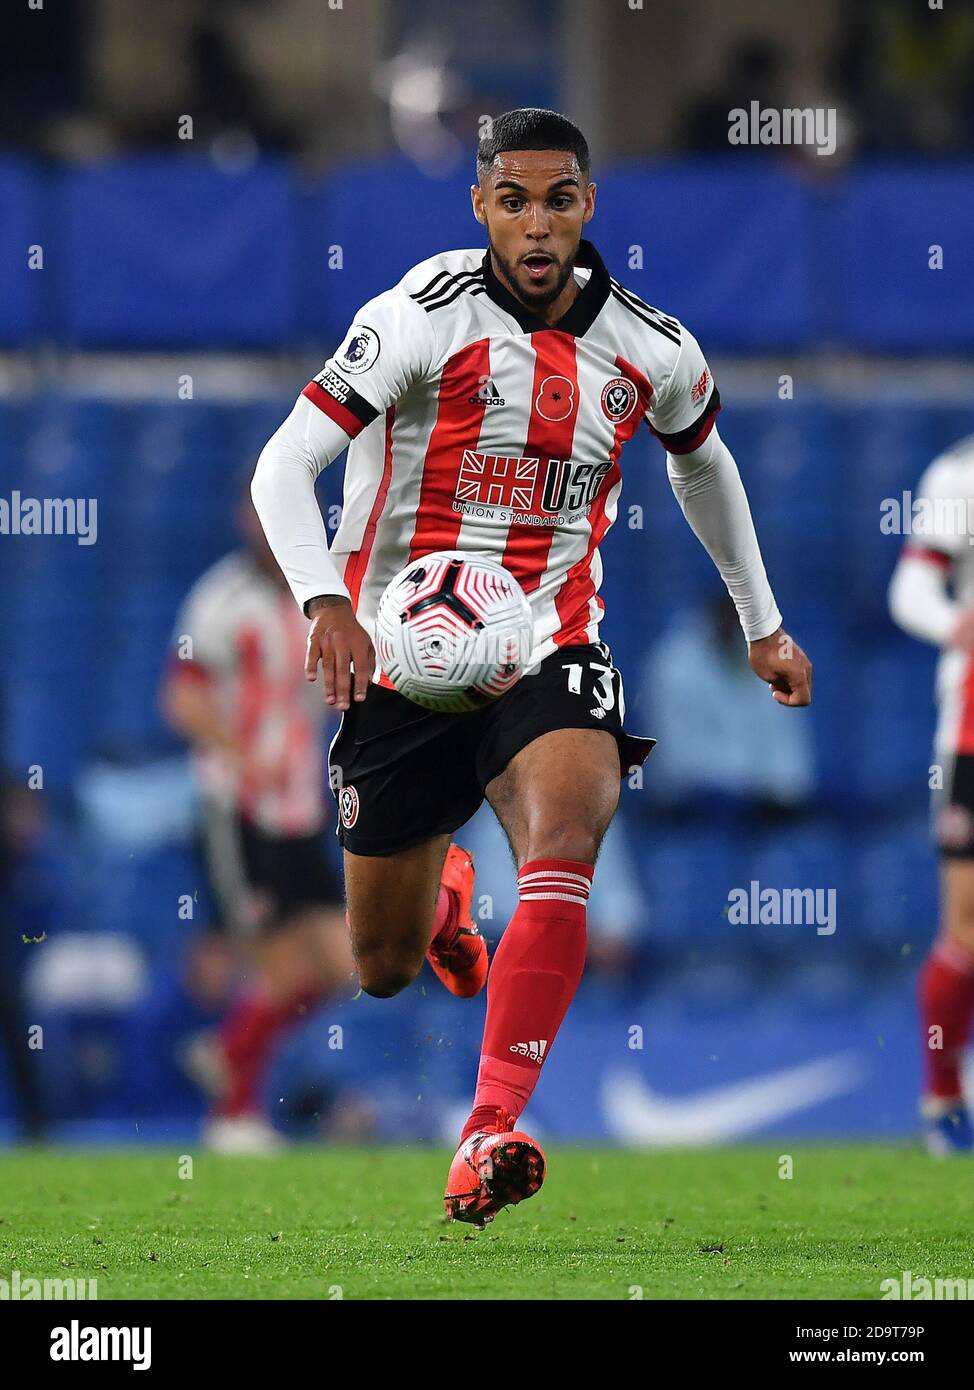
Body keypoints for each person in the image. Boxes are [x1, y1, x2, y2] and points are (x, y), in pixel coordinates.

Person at [251, 107, 811, 1222]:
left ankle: (487, 1125)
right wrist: (324, 602)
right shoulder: (418, 316)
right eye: (513, 200)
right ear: (481, 208)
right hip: (400, 653)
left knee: (570, 824)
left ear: (586, 205)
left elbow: (704, 470)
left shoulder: (648, 348)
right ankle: (450, 898)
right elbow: (283, 464)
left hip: (546, 642)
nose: (537, 222)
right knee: (383, 963)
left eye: (558, 198)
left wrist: (761, 622)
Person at [160, 482, 355, 1154]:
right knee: (273, 965)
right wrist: (243, 756)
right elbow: (181, 700)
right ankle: (234, 1116)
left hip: (300, 808)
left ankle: (229, 1047)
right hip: (239, 808)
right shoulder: (218, 600)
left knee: (341, 961)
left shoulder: (322, 596)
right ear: (248, 519)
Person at [889, 433, 974, 1155]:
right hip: (972, 726)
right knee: (968, 927)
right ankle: (944, 1098)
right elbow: (911, 586)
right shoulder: (960, 473)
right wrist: (959, 625)